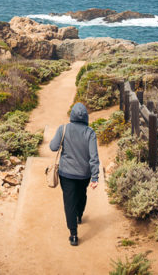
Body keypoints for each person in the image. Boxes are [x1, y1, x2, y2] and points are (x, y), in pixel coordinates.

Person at [49, 102, 100, 246]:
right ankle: (79, 214)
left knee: (69, 201)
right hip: (85, 174)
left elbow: (53, 147)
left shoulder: (63, 128)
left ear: (72, 115)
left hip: (66, 174)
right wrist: (95, 177)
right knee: (81, 194)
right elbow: (94, 156)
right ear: (86, 117)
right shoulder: (90, 132)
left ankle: (73, 235)